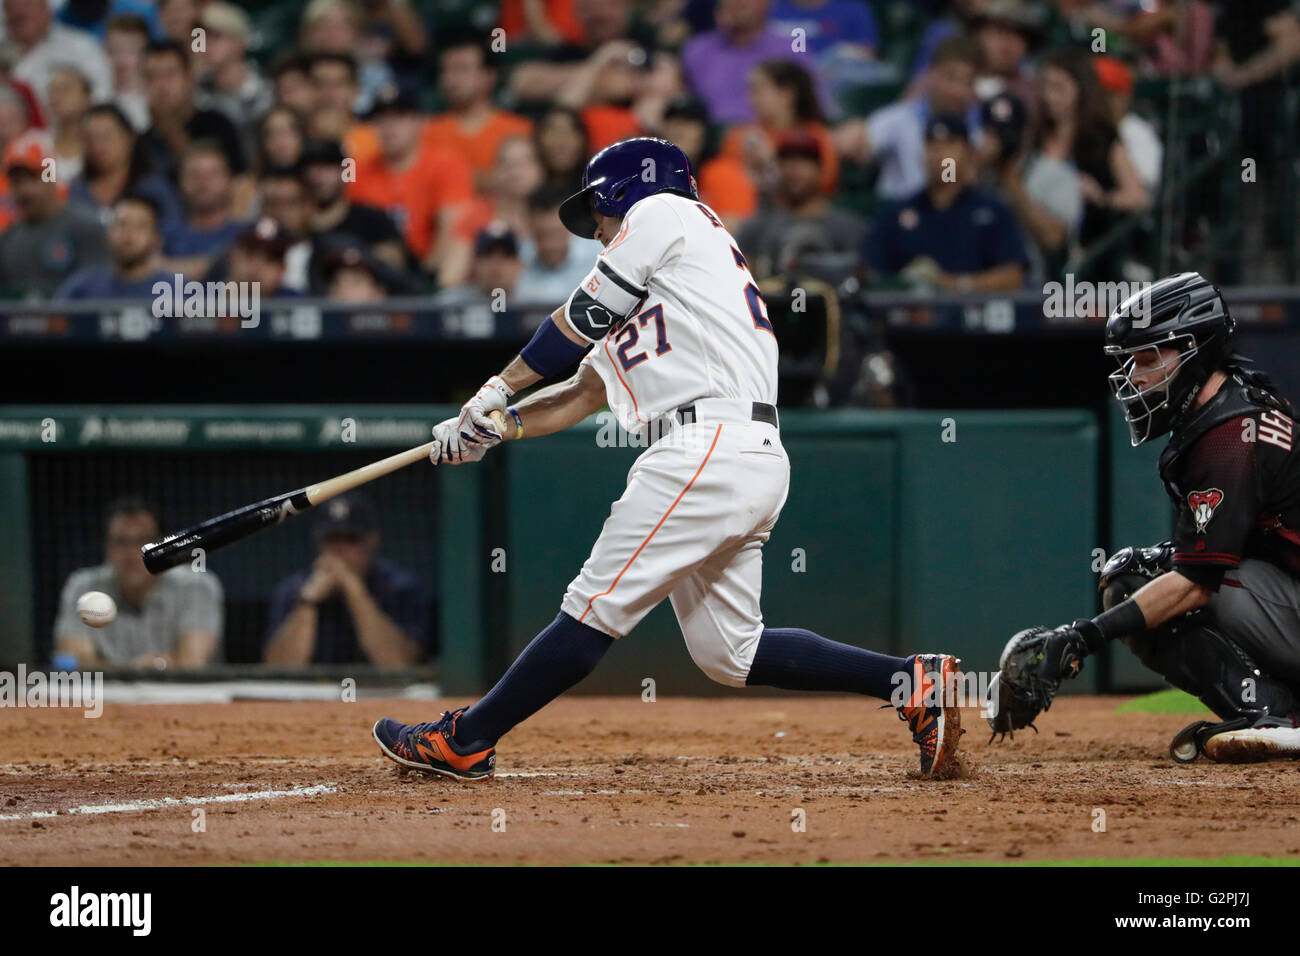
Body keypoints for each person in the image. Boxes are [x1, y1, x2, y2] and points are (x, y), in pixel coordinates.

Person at [372, 137, 962, 781]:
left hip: (706, 447)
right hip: (740, 456)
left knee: (594, 607)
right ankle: (911, 681)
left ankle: (467, 739)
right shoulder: (670, 291)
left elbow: (579, 316)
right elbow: (581, 393)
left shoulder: (666, 212)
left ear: (627, 191)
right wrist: (493, 427)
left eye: (598, 212)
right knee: (731, 653)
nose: (597, 231)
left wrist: (495, 387)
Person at [990, 272, 1300, 764]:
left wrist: (1079, 638)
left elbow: (1195, 582)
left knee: (1146, 584)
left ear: (1195, 350)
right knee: (1145, 574)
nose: (1136, 375)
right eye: (1133, 360)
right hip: (1287, 588)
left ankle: (1278, 716)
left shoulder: (1229, 435)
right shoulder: (1232, 401)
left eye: (1151, 358)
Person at [864, 113, 1027, 292]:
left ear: (969, 153)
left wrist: (956, 285)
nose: (939, 155)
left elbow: (1012, 276)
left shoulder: (991, 212)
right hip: (911, 308)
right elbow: (872, 272)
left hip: (974, 307)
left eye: (948, 145)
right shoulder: (898, 213)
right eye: (931, 146)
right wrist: (907, 284)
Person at [54, 496, 223, 669]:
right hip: (107, 688)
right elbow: (72, 661)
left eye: (143, 541)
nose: (132, 553)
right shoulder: (83, 587)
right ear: (107, 547)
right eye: (121, 542)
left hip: (180, 689)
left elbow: (191, 663)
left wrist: (155, 665)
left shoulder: (196, 586)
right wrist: (137, 671)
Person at [265, 493, 431, 666]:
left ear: (372, 541)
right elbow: (278, 668)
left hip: (375, 684)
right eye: (332, 539)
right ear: (319, 542)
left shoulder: (398, 588)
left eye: (350, 539)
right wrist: (308, 601)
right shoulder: (294, 590)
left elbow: (398, 665)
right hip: (317, 684)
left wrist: (354, 589)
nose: (339, 549)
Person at [345, 84, 473, 285]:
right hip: (371, 277)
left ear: (420, 122)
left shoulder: (446, 164)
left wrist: (424, 279)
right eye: (381, 119)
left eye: (399, 117)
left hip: (427, 272)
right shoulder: (357, 170)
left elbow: (451, 228)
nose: (389, 127)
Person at [834, 33, 984, 202]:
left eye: (967, 82)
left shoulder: (978, 133)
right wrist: (857, 136)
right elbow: (860, 142)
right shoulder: (901, 118)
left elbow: (949, 182)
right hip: (897, 208)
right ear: (931, 74)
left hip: (951, 213)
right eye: (950, 78)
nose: (957, 90)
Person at [737, 130, 864, 281]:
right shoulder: (757, 228)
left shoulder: (847, 228)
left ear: (820, 169)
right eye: (787, 161)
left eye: (804, 162)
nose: (795, 170)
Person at [0, 137, 109, 298]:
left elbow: (99, 291)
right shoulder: (8, 239)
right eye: (17, 182)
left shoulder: (87, 227)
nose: (24, 190)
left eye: (32, 178)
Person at [423, 35, 533, 189]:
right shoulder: (426, 132)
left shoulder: (519, 129)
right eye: (445, 70)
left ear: (489, 76)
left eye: (462, 69)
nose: (451, 78)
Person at [681, 0, 806, 125]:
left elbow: (806, 109)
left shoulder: (790, 50)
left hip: (770, 132)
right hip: (708, 132)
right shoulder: (697, 50)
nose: (735, 3)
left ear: (766, 3)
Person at [4, 0, 112, 114]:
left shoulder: (80, 46)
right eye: (11, 7)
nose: (19, 12)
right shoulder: (3, 49)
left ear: (45, 8)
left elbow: (102, 92)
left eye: (27, 5)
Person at [55, 192, 171, 297]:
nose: (129, 233)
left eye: (140, 226)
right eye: (122, 224)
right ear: (108, 232)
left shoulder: (172, 291)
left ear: (156, 239)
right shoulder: (83, 288)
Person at [161, 142, 246, 277]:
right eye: (193, 174)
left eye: (212, 175)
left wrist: (166, 266)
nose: (202, 183)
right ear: (180, 181)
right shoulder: (163, 234)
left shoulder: (246, 234)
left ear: (230, 180)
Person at [516, 182, 603, 303]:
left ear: (571, 226)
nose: (549, 245)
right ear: (529, 229)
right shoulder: (517, 258)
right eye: (541, 235)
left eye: (556, 233)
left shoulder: (600, 258)